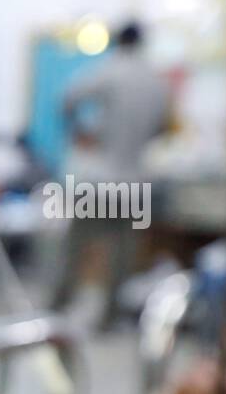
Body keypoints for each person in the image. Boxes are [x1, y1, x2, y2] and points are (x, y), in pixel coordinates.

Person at [52, 21, 171, 328]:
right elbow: (161, 128)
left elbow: (67, 98)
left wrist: (81, 133)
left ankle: (58, 306)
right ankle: (110, 317)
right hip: (134, 181)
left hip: (99, 178)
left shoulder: (110, 70)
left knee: (78, 245)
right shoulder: (155, 81)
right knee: (122, 252)